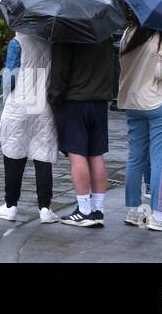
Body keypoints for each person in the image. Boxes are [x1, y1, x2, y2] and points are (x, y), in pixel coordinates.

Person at [117, 24, 162, 232]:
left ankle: (133, 210)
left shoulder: (128, 35)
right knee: (160, 159)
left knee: (135, 157)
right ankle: (158, 214)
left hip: (132, 102)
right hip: (160, 101)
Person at [0, 32, 60, 224]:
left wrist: (4, 96)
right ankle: (45, 209)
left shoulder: (17, 42)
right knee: (42, 156)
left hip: (18, 106)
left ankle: (10, 206)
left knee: (13, 153)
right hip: (43, 107)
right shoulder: (51, 41)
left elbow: (9, 78)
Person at [48, 35, 116, 227]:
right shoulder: (104, 32)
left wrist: (54, 101)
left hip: (74, 101)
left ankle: (84, 209)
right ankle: (98, 209)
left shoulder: (66, 32)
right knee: (96, 154)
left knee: (76, 153)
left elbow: (59, 73)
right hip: (100, 100)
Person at [1, 34, 22, 101]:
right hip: (44, 99)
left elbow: (10, 77)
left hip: (19, 98)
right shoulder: (47, 43)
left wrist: (5, 95)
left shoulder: (16, 43)